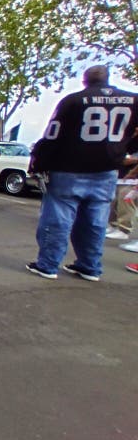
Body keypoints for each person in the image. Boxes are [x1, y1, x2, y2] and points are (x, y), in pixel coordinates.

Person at [27, 65, 138, 281]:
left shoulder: (74, 100)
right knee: (95, 221)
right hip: (107, 170)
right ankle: (89, 266)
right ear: (108, 79)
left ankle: (48, 265)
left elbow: (53, 135)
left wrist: (39, 163)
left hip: (69, 169)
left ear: (85, 80)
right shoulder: (133, 100)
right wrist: (124, 150)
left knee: (58, 219)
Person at [104, 152, 138, 240]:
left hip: (133, 180)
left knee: (125, 202)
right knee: (114, 202)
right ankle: (114, 226)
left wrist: (129, 161)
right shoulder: (127, 142)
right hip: (120, 177)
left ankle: (124, 230)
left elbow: (123, 160)